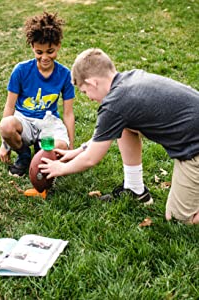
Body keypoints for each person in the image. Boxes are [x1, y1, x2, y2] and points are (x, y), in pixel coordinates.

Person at [39, 48, 199, 225]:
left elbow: (91, 159)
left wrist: (60, 169)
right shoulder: (127, 82)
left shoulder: (115, 104)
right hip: (192, 135)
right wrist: (78, 150)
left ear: (92, 83)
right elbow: (106, 134)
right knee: (125, 126)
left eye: (85, 92)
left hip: (195, 150)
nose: (89, 98)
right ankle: (135, 189)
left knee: (180, 219)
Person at [0, 11, 75, 177]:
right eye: (39, 52)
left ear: (59, 45)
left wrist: (71, 149)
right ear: (32, 47)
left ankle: (42, 151)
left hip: (49, 121)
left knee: (60, 146)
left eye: (50, 51)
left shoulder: (65, 75)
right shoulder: (21, 70)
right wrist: (4, 144)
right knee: (6, 126)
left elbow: (68, 114)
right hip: (24, 120)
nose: (45, 57)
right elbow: (9, 107)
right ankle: (24, 155)